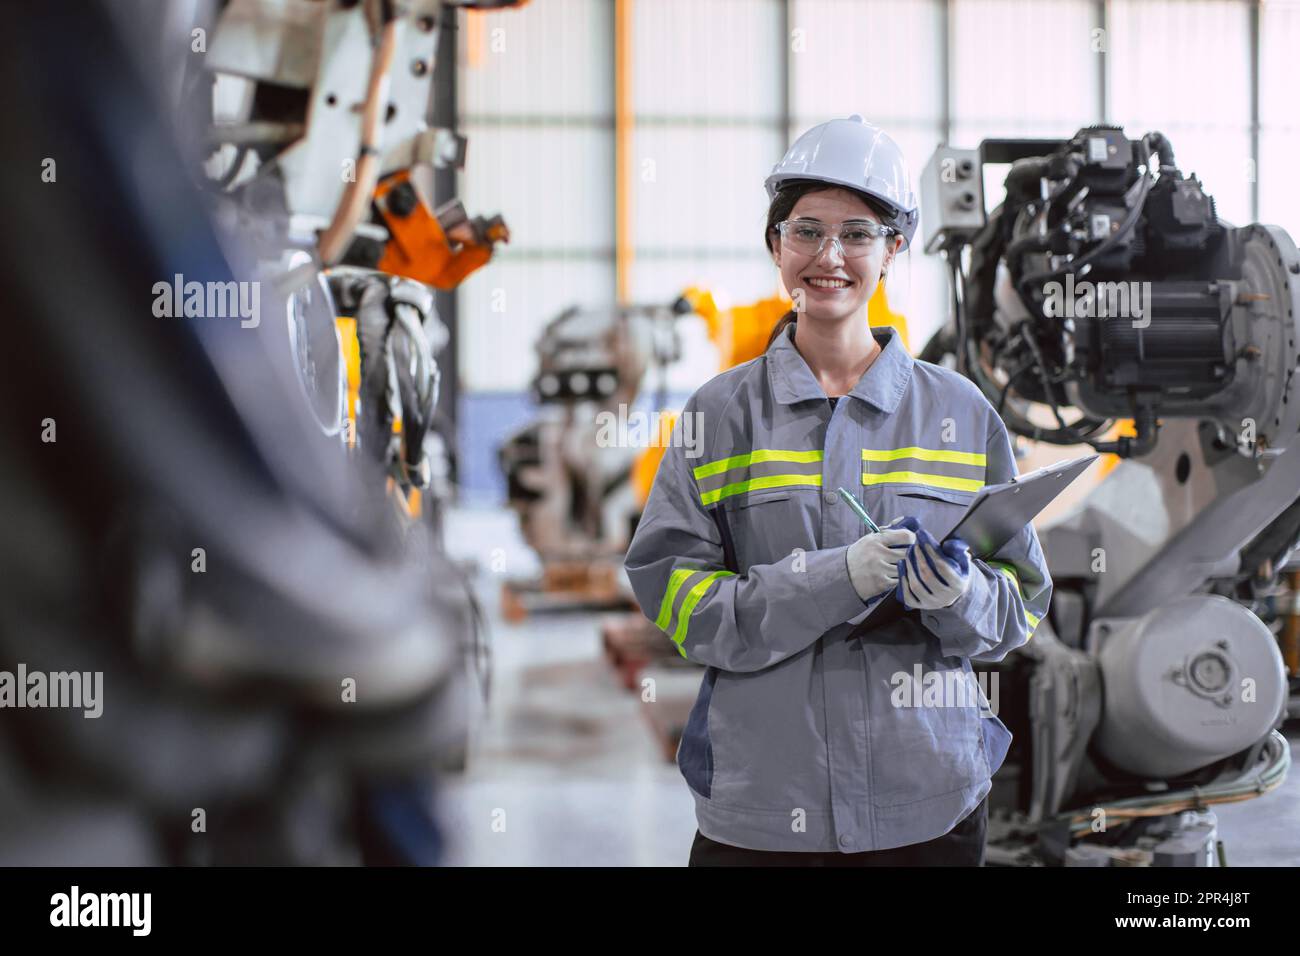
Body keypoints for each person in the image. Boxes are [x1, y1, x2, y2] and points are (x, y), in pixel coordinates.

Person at [623, 115, 1052, 866]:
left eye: (858, 233)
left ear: (894, 248)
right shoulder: (718, 415)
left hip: (928, 802)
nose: (830, 256)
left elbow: (1018, 606)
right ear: (775, 246)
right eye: (806, 231)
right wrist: (833, 579)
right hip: (762, 807)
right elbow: (681, 606)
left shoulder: (960, 413)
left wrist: (959, 598)